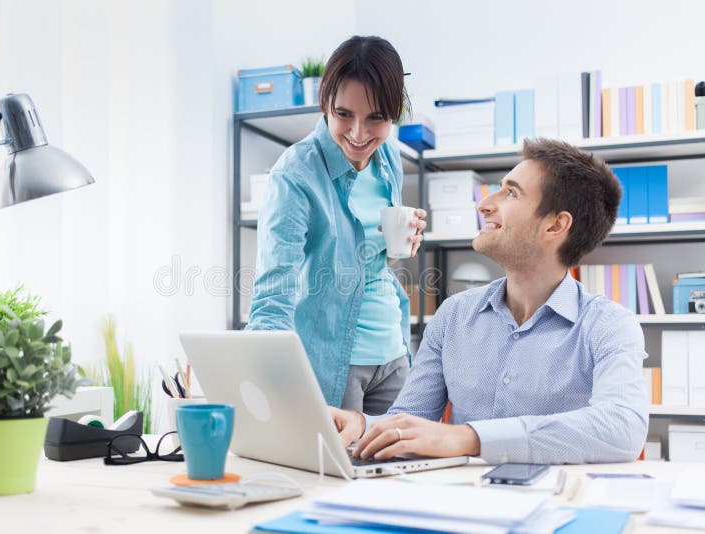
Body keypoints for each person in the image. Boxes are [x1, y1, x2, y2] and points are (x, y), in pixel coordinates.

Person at [330, 138, 650, 464]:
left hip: (554, 505)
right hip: (465, 500)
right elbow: (409, 419)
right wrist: (360, 424)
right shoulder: (454, 314)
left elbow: (623, 427)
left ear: (555, 224)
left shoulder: (608, 324)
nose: (483, 205)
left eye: (511, 192)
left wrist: (470, 438)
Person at [246, 35, 427, 414]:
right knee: (337, 471)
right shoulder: (295, 175)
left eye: (376, 118)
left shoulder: (388, 157)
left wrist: (404, 240)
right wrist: (268, 385)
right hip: (334, 365)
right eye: (344, 114)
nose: (359, 135)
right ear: (326, 103)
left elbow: (369, 260)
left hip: (393, 353)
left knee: (400, 470)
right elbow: (273, 292)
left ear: (393, 114)